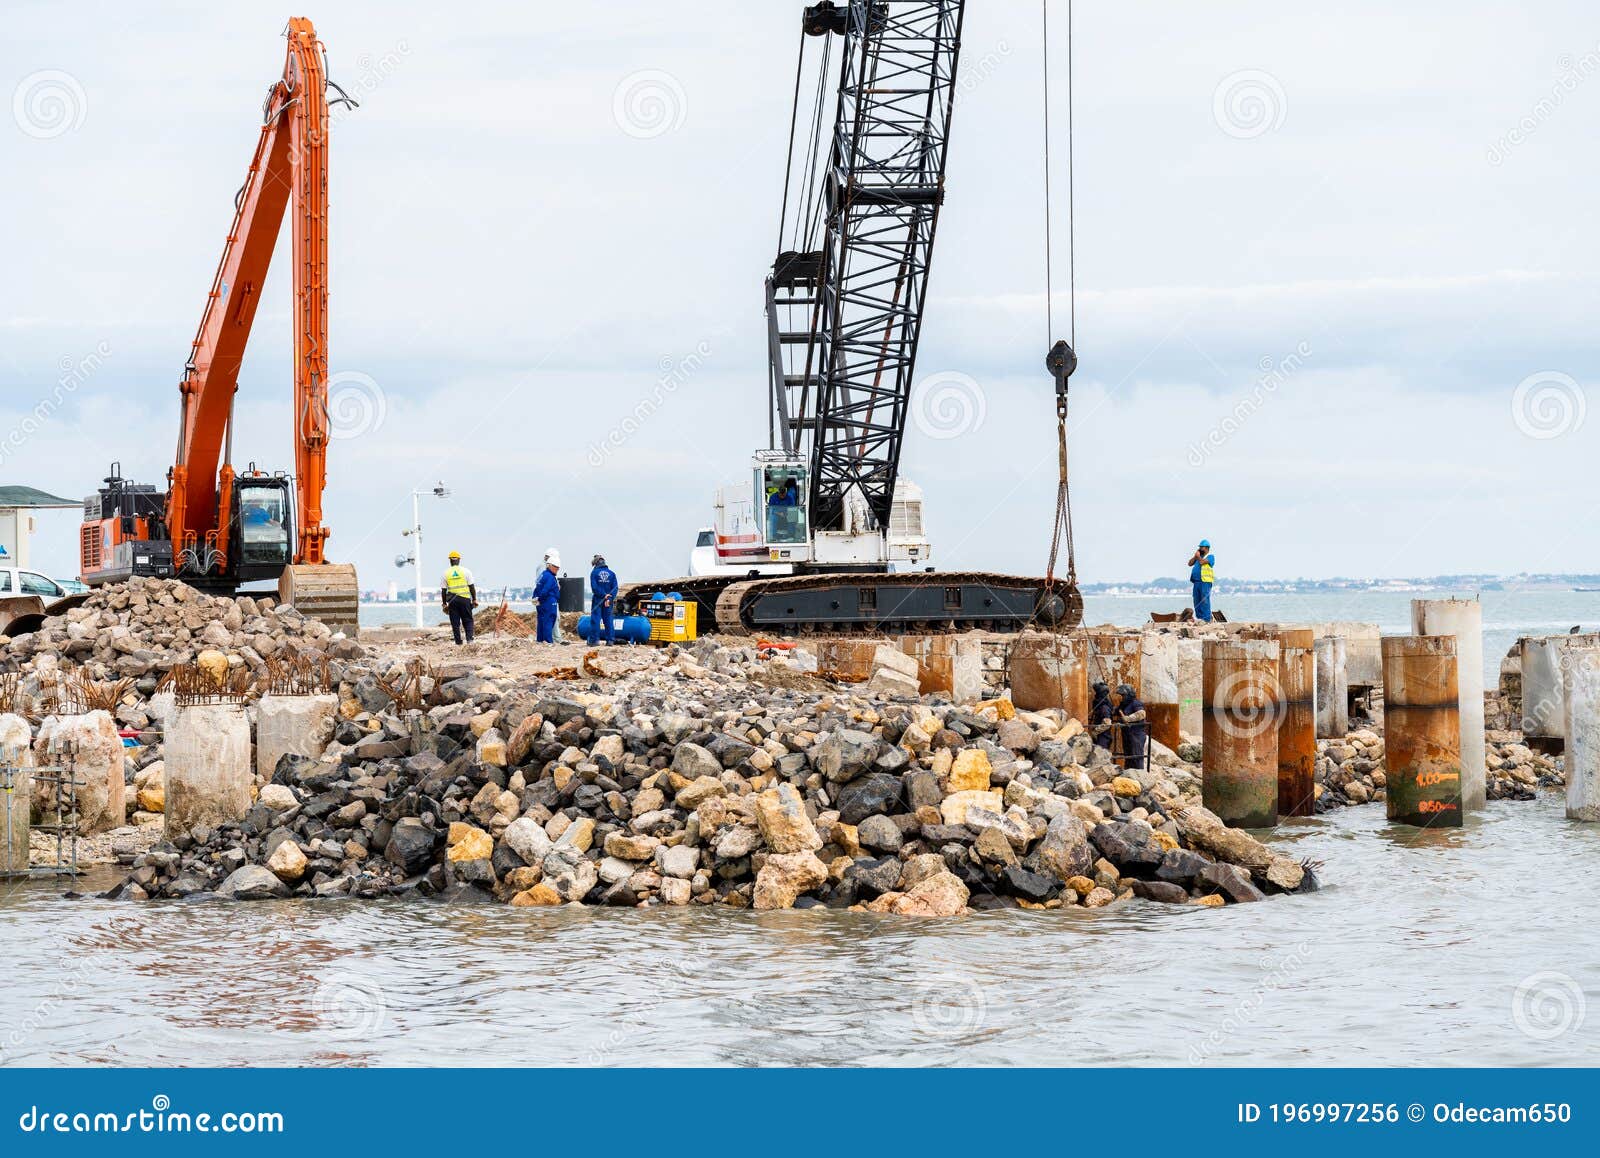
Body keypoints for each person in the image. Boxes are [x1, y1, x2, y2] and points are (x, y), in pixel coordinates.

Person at [439, 551, 477, 646]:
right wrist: (474, 599)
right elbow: (471, 587)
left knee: (455, 622)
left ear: (450, 561)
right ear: (459, 560)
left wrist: (444, 604)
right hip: (465, 600)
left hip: (453, 601)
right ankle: (469, 640)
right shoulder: (466, 571)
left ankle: (458, 642)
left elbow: (443, 591)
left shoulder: (445, 573)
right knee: (468, 620)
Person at [1115, 683, 1149, 771]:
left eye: (1123, 695)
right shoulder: (1123, 705)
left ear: (1129, 695)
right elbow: (1116, 711)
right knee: (1128, 755)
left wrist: (1128, 718)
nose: (1122, 698)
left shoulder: (1136, 703)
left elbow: (1141, 714)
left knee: (1136, 756)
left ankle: (1139, 775)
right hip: (1127, 734)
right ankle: (1129, 774)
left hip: (1136, 735)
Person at [588, 553, 619, 646]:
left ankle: (595, 640)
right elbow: (615, 587)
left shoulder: (594, 573)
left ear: (596, 563)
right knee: (608, 619)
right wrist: (609, 597)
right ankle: (610, 640)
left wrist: (603, 595)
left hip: (598, 599)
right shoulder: (612, 574)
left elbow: (594, 587)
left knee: (596, 619)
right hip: (608, 600)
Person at [534, 548, 561, 643]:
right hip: (549, 601)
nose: (558, 569)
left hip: (542, 601)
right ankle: (550, 640)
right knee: (549, 620)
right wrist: (540, 598)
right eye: (557, 567)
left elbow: (538, 586)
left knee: (542, 621)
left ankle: (540, 640)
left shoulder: (543, 573)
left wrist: (536, 598)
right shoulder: (549, 576)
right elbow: (545, 589)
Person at [1188, 539, 1216, 623]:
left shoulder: (1210, 557)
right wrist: (1195, 556)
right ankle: (1200, 618)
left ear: (1207, 548)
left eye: (1202, 547)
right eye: (1199, 547)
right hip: (1196, 582)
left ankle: (1207, 619)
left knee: (1204, 600)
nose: (1200, 549)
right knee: (1196, 600)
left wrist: (1198, 557)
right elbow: (1189, 563)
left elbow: (1202, 562)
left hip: (1205, 582)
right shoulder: (1198, 557)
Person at [1090, 681, 1115, 753]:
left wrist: (1095, 732)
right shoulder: (1100, 706)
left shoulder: (1104, 707)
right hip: (1100, 736)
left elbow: (1107, 723)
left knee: (1101, 756)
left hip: (1103, 737)